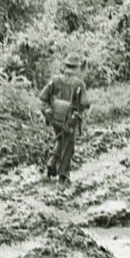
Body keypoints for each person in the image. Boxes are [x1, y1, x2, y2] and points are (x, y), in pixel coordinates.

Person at [39, 53, 91, 188]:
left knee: (61, 139)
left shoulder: (55, 80)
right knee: (68, 145)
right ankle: (63, 176)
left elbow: (42, 96)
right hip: (70, 120)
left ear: (65, 66)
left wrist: (49, 109)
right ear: (77, 68)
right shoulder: (79, 84)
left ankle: (51, 164)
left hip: (55, 118)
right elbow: (85, 103)